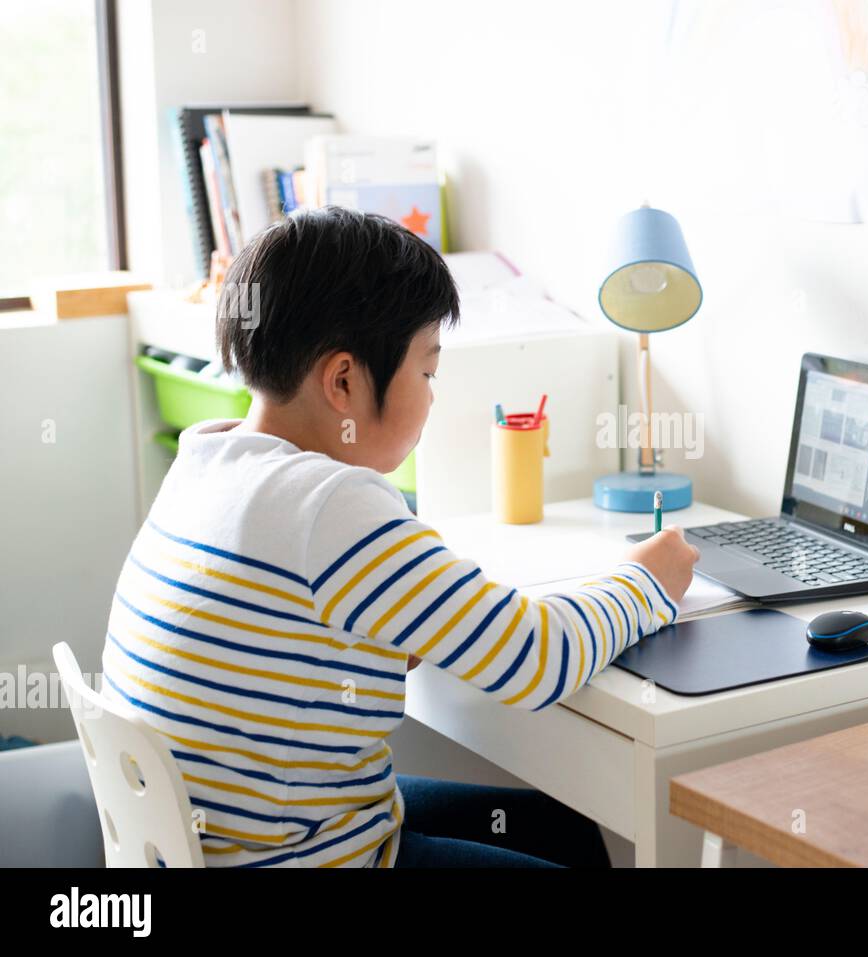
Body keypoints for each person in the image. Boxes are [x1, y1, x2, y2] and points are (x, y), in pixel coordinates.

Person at [101, 206, 699, 867]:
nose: (433, 395)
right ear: (344, 380)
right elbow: (537, 659)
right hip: (307, 855)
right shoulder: (330, 503)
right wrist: (649, 577)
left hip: (242, 840)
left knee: (563, 830)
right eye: (427, 370)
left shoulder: (206, 462)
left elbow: (283, 634)